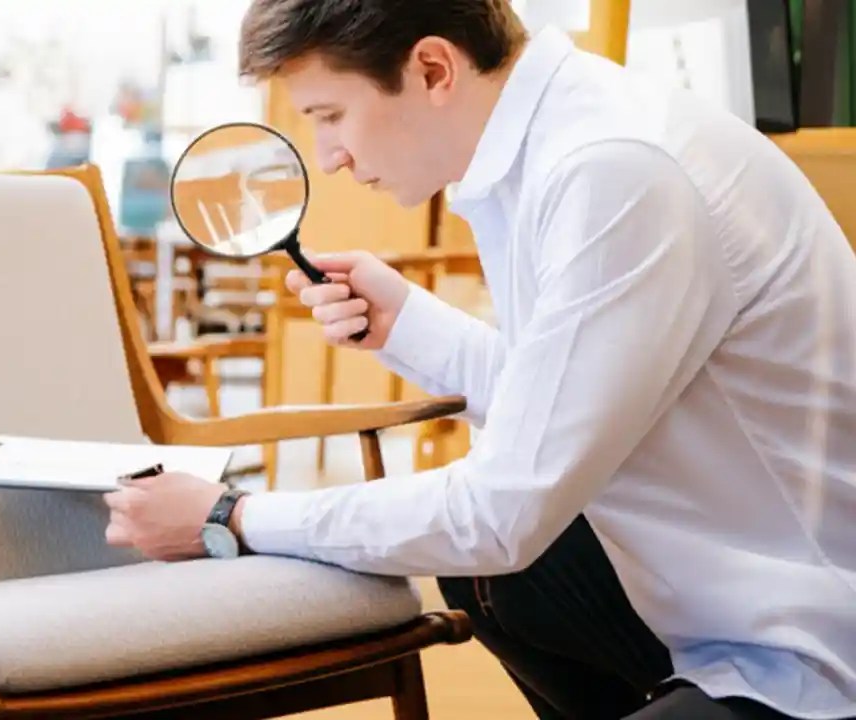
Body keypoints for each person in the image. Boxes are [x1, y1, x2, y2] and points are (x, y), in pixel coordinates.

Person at [103, 1, 856, 718]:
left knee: (499, 552)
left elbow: (503, 510)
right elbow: (566, 407)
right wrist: (407, 323)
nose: (328, 156)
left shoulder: (610, 173)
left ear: (433, 69)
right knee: (496, 577)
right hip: (728, 584)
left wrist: (233, 515)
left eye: (331, 116)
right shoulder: (559, 143)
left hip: (810, 646)